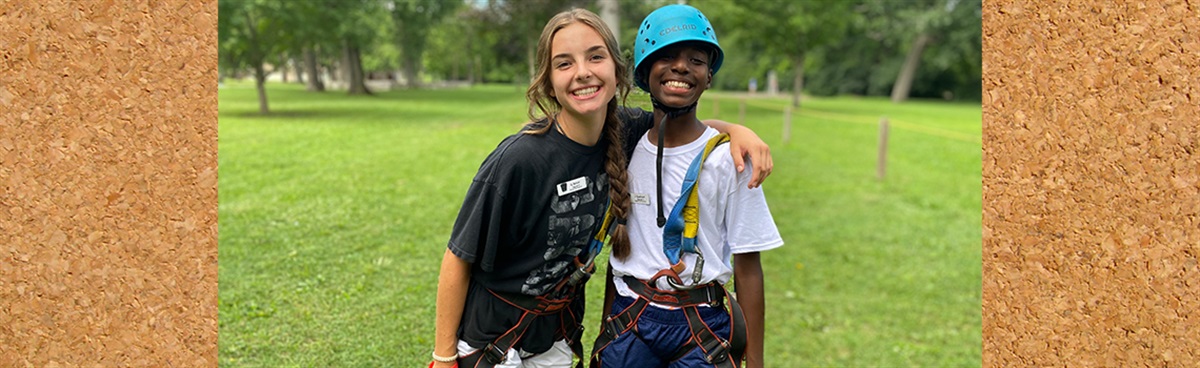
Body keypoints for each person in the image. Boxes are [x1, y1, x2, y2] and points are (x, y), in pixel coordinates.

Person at [431, 8, 774, 368]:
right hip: (495, 340)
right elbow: (458, 257)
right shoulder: (520, 159)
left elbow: (684, 128)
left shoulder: (627, 131)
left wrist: (737, 131)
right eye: (564, 64)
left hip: (556, 337)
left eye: (595, 57)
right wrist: (442, 358)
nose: (583, 72)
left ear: (616, 69)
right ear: (548, 81)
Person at [592, 4, 783, 368]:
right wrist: (606, 334)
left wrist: (755, 362)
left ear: (709, 76)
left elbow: (748, 266)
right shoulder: (625, 146)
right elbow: (618, 261)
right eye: (666, 57)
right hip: (631, 317)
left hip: (702, 324)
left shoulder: (732, 159)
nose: (681, 66)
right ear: (645, 72)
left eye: (696, 59)